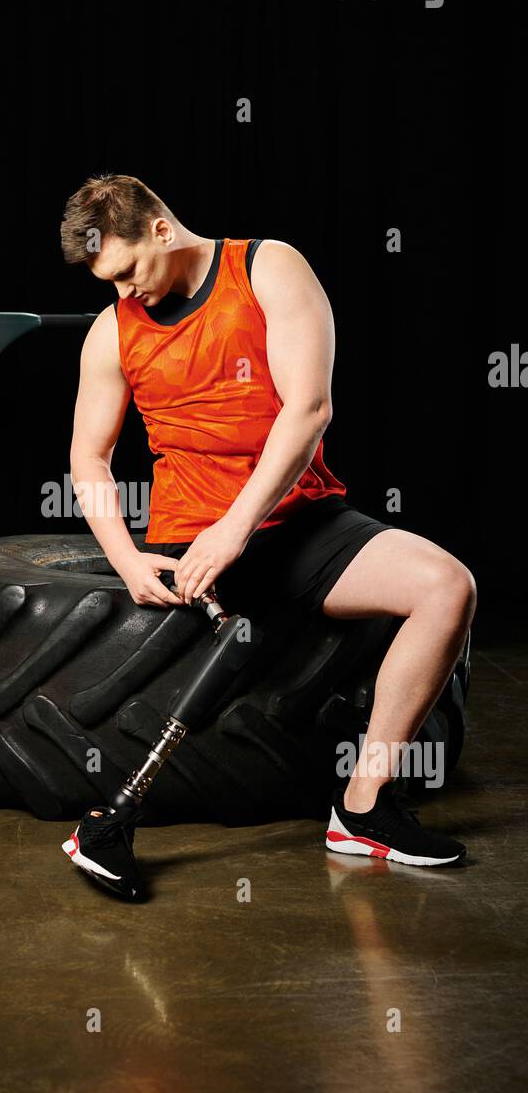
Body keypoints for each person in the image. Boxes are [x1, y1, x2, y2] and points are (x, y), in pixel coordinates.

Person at [58, 174, 476, 900]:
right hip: (199, 532)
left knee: (448, 587)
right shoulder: (113, 330)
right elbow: (87, 458)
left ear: (160, 228)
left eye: (128, 272)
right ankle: (112, 822)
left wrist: (238, 529)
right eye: (109, 283)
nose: (126, 293)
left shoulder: (267, 268)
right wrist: (126, 558)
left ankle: (364, 808)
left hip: (295, 518)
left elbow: (309, 410)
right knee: (262, 604)